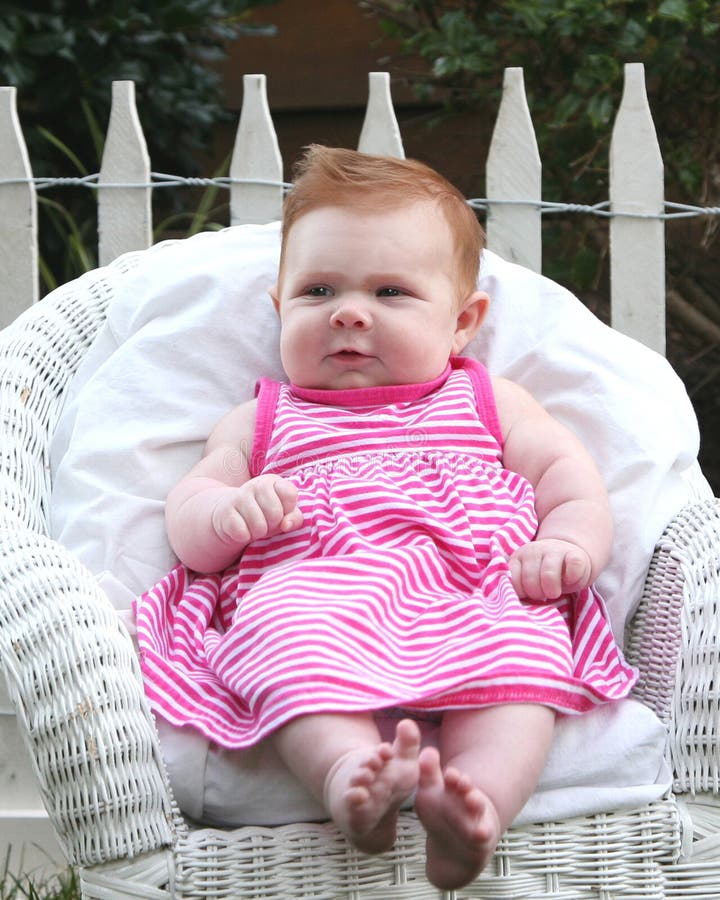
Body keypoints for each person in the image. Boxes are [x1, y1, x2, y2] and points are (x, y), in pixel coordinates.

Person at [135, 145, 637, 890]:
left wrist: (568, 542)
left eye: (391, 292)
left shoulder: (487, 401)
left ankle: (474, 810)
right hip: (318, 589)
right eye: (317, 290)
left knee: (525, 659)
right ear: (280, 307)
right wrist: (231, 513)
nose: (347, 311)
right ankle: (348, 777)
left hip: (473, 589)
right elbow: (192, 516)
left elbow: (569, 477)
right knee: (278, 635)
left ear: (462, 322)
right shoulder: (264, 418)